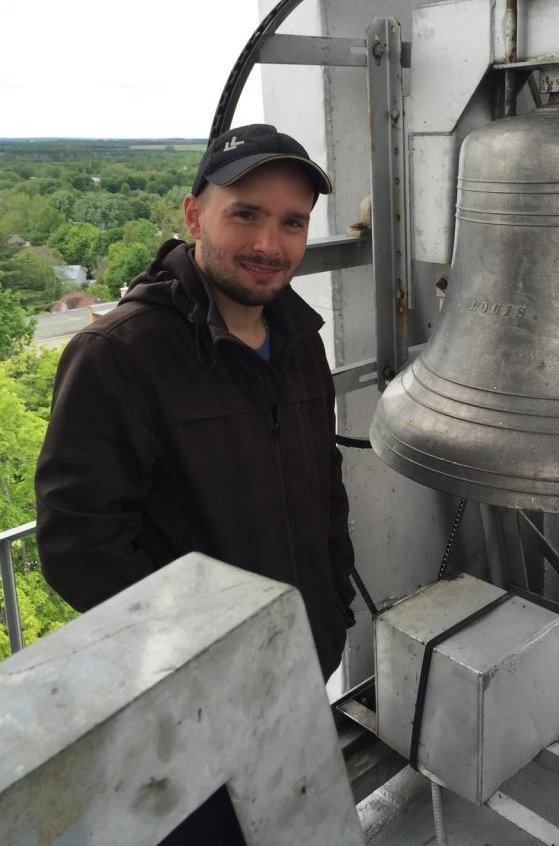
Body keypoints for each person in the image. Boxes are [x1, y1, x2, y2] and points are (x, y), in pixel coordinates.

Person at [35, 123, 355, 845]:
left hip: (300, 665)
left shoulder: (299, 342)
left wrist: (334, 604)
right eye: (245, 212)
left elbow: (323, 485)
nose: (269, 244)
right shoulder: (118, 357)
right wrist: (206, 663)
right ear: (193, 215)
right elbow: (81, 547)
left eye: (291, 222)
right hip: (188, 708)